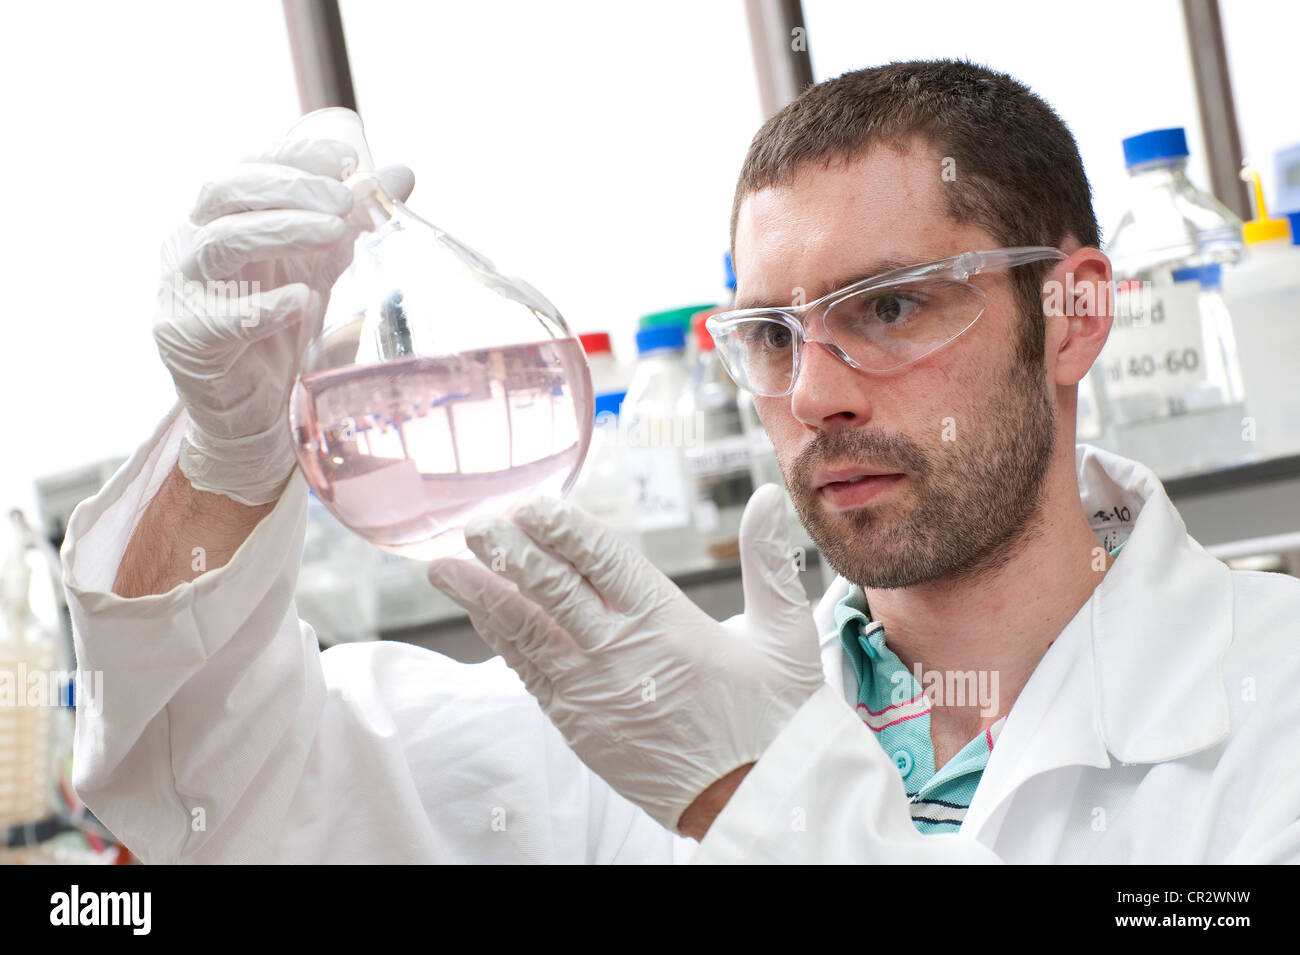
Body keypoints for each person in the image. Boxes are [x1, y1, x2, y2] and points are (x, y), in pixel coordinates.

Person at [64, 60, 1300, 864]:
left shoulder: (1271, 711)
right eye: (771, 335)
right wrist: (224, 460)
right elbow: (207, 797)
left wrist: (754, 797)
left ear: (1076, 312)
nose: (813, 392)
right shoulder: (623, 717)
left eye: (889, 309)